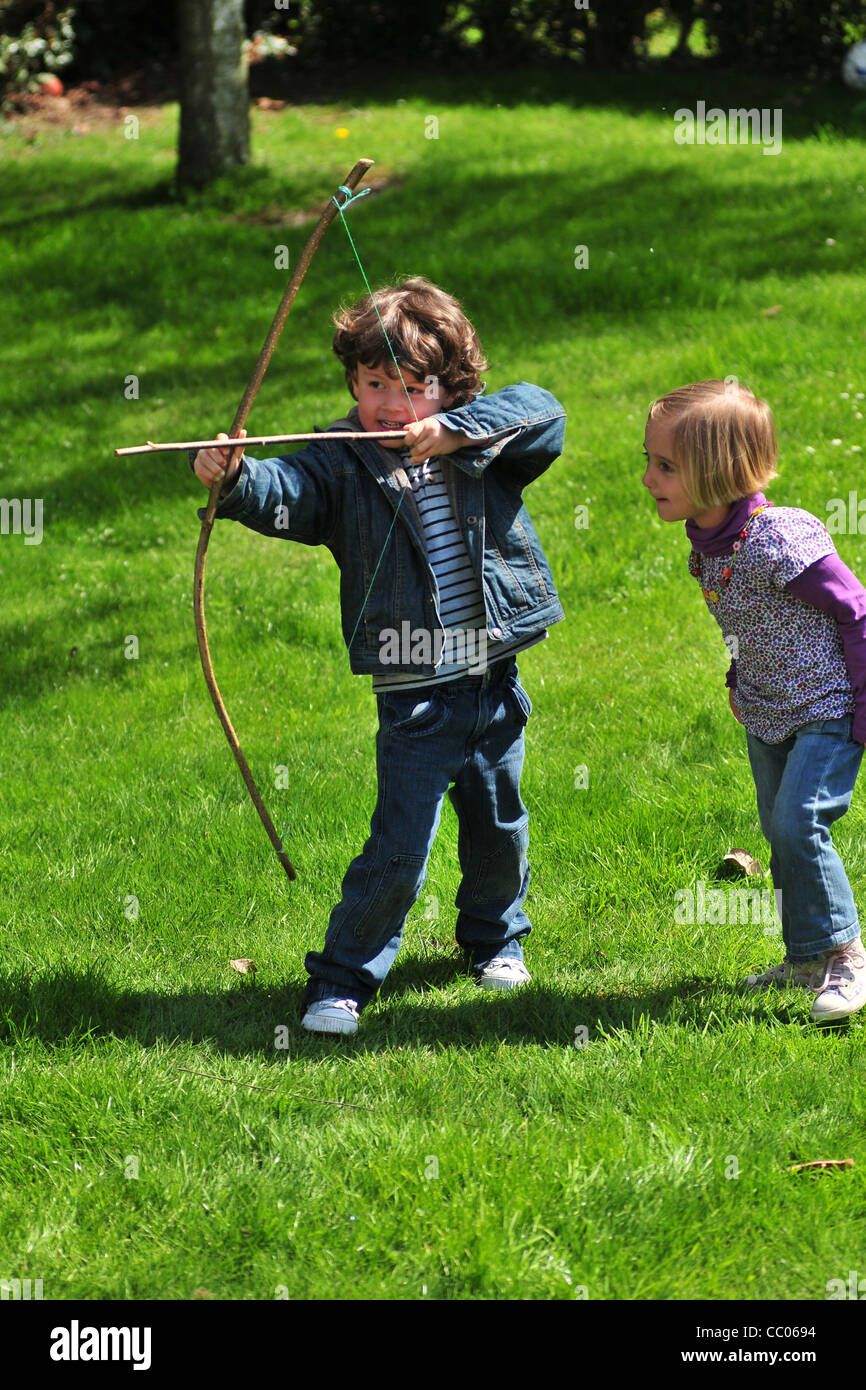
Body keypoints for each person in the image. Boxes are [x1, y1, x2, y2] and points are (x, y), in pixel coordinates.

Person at [192, 276, 566, 1034]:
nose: (390, 404)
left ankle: (497, 941)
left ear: (452, 388)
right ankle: (342, 981)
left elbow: (544, 412)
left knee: (500, 824)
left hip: (493, 681)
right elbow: (286, 489)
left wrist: (454, 433)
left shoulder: (481, 445)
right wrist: (235, 480)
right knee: (399, 848)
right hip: (416, 694)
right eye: (372, 383)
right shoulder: (342, 460)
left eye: (412, 386)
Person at [642, 379, 866, 1021]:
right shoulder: (704, 546)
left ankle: (848, 956)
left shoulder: (780, 538)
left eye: (666, 466)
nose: (650, 478)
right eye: (649, 462)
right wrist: (741, 680)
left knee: (800, 826)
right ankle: (804, 960)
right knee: (778, 831)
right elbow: (748, 620)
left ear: (716, 471)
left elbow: (855, 611)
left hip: (828, 707)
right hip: (768, 711)